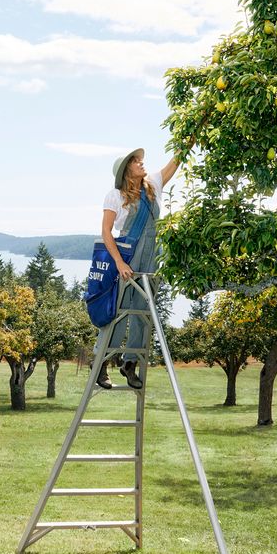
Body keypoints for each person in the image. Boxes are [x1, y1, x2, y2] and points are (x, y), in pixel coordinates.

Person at [97, 148, 180, 389]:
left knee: (143, 312)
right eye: (135, 161)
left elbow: (175, 162)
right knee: (118, 311)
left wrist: (190, 139)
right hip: (127, 255)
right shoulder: (114, 195)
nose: (141, 163)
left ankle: (130, 363)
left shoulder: (153, 184)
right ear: (126, 171)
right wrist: (119, 262)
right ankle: (102, 362)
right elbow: (106, 232)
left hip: (152, 256)